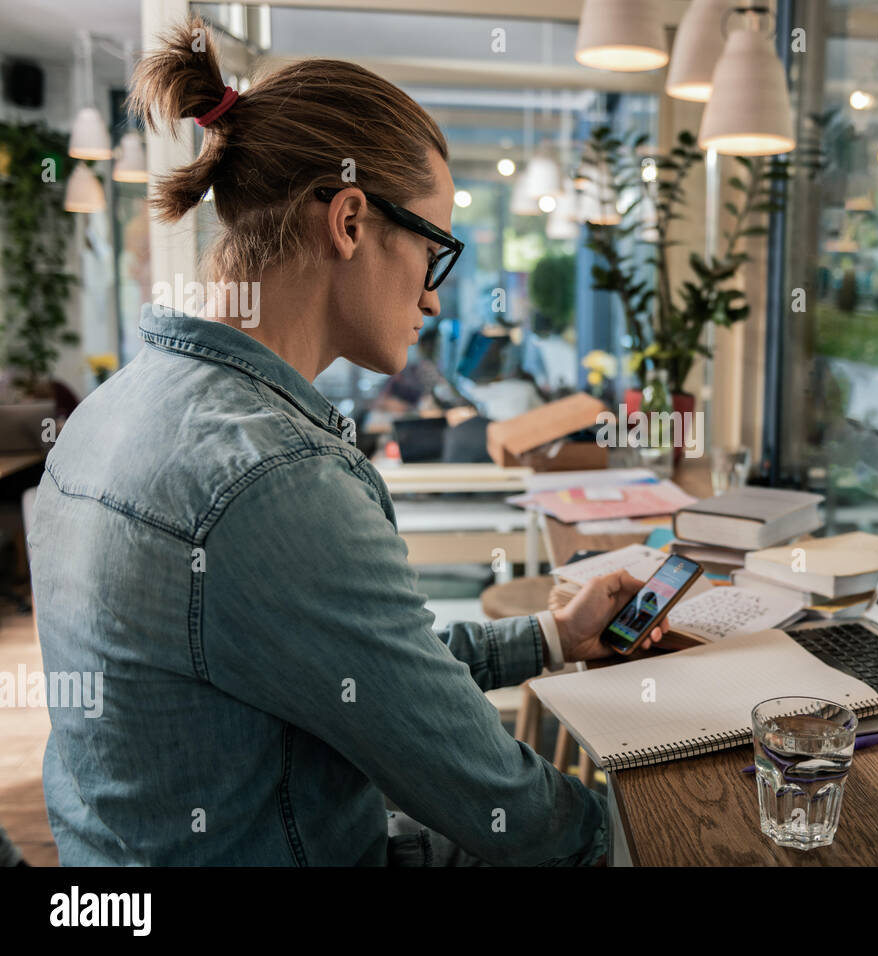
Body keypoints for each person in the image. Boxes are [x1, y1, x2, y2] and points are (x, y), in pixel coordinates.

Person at [27, 16, 660, 866]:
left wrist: (549, 638)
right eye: (434, 251)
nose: (435, 300)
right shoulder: (275, 481)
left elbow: (356, 660)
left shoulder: (103, 413)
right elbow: (493, 798)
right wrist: (662, 838)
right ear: (352, 222)